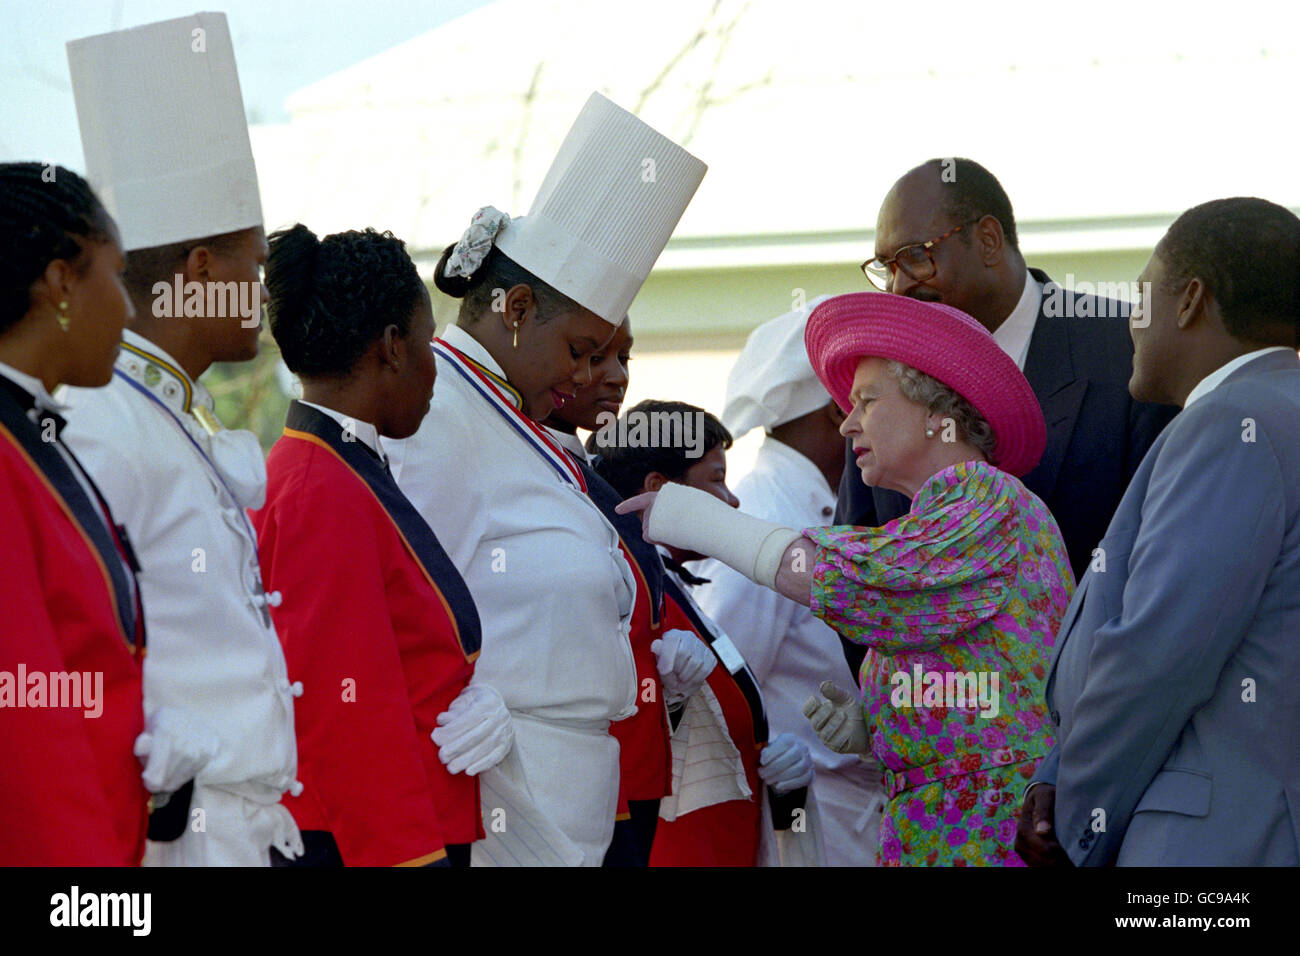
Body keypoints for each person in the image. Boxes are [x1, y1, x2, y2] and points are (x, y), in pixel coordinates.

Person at [619, 293, 1073, 866]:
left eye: (867, 400)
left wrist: (700, 520)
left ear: (937, 410)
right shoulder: (946, 519)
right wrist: (882, 726)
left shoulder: (985, 498)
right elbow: (990, 691)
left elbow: (859, 580)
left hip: (988, 835)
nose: (849, 421)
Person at [386, 92, 706, 865]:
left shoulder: (522, 422)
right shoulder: (440, 411)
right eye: (581, 350)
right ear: (519, 308)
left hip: (571, 787)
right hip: (503, 785)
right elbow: (406, 614)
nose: (590, 375)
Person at [59, 13, 300, 865]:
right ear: (200, 272)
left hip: (237, 825)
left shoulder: (170, 411)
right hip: (164, 830)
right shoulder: (97, 412)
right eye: (255, 267)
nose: (263, 294)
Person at [1017, 198, 1300, 867]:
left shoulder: (1232, 423)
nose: (1130, 326)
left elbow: (1158, 655)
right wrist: (1056, 768)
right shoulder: (1273, 411)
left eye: (1142, 295)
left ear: (1190, 300)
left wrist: (1076, 815)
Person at [251, 224, 509, 867]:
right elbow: (349, 715)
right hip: (374, 842)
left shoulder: (341, 464)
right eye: (427, 342)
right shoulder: (321, 485)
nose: (433, 370)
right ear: (392, 347)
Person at [841, 159, 1178, 585]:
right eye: (887, 268)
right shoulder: (882, 376)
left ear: (987, 240)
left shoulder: (1127, 349)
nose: (900, 287)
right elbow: (853, 563)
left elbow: (1162, 557)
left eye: (915, 258)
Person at [692, 299, 887, 867]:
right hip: (803, 822)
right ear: (837, 410)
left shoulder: (819, 503)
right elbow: (719, 685)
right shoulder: (762, 515)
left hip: (852, 816)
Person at [0, 162, 152, 865]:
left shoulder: (35, 428)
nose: (127, 307)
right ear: (61, 282)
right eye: (115, 276)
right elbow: (26, 726)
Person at [597, 400, 818, 867]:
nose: (733, 501)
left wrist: (781, 781)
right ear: (660, 490)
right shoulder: (630, 598)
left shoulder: (669, 586)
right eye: (716, 479)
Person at [540, 318, 679, 867]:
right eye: (594, 356)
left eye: (625, 357)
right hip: (581, 761)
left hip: (634, 763)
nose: (617, 377)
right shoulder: (536, 473)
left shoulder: (582, 469)